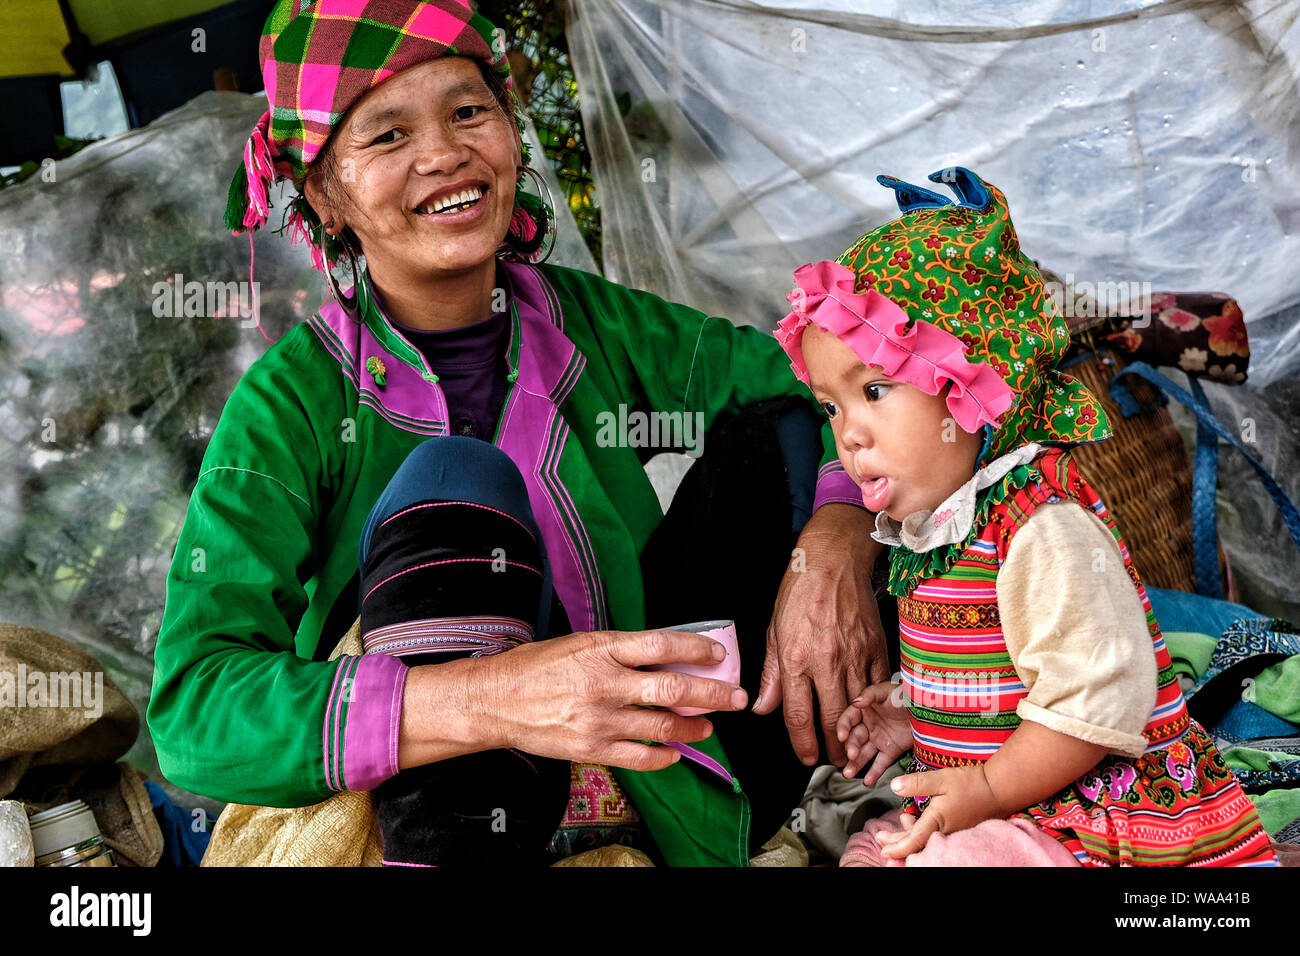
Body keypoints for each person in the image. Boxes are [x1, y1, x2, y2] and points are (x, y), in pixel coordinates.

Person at [146, 0, 888, 867]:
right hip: (422, 808)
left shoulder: (595, 326)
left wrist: (836, 540)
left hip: (646, 762)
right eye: (386, 136)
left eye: (469, 111)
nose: (444, 154)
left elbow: (817, 374)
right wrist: (499, 696)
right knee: (457, 482)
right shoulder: (292, 403)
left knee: (789, 429)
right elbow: (193, 710)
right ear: (325, 194)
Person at [773, 166, 1278, 867]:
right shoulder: (939, 528)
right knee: (878, 842)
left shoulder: (1039, 527)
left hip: (1096, 820)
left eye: (877, 390)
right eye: (833, 407)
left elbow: (1098, 704)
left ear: (972, 385)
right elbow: (998, 676)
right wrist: (914, 710)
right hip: (1018, 806)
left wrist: (982, 787)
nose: (848, 434)